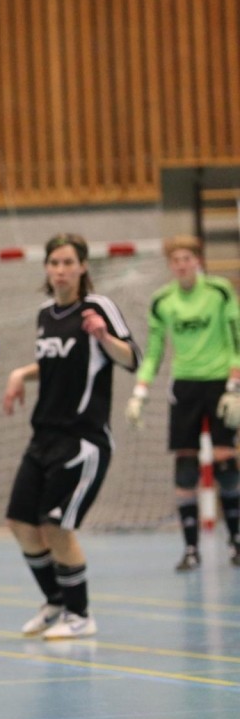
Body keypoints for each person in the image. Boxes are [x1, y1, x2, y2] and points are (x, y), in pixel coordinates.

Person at [2, 234, 140, 640]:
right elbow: (56, 362)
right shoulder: (46, 314)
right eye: (54, 263)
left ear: (82, 267)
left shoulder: (98, 308)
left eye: (68, 262)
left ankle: (80, 615)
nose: (60, 270)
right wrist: (20, 374)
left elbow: (132, 359)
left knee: (57, 526)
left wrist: (104, 336)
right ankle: (55, 602)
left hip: (83, 439)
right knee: (21, 523)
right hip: (43, 436)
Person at [126, 235, 240, 571]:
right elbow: (156, 352)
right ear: (170, 265)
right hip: (185, 386)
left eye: (187, 258)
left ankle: (236, 542)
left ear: (198, 260)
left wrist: (234, 385)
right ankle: (191, 549)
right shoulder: (163, 301)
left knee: (225, 459)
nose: (182, 265)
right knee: (186, 465)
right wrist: (140, 392)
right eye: (175, 260)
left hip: (220, 382)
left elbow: (236, 340)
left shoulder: (219, 292)